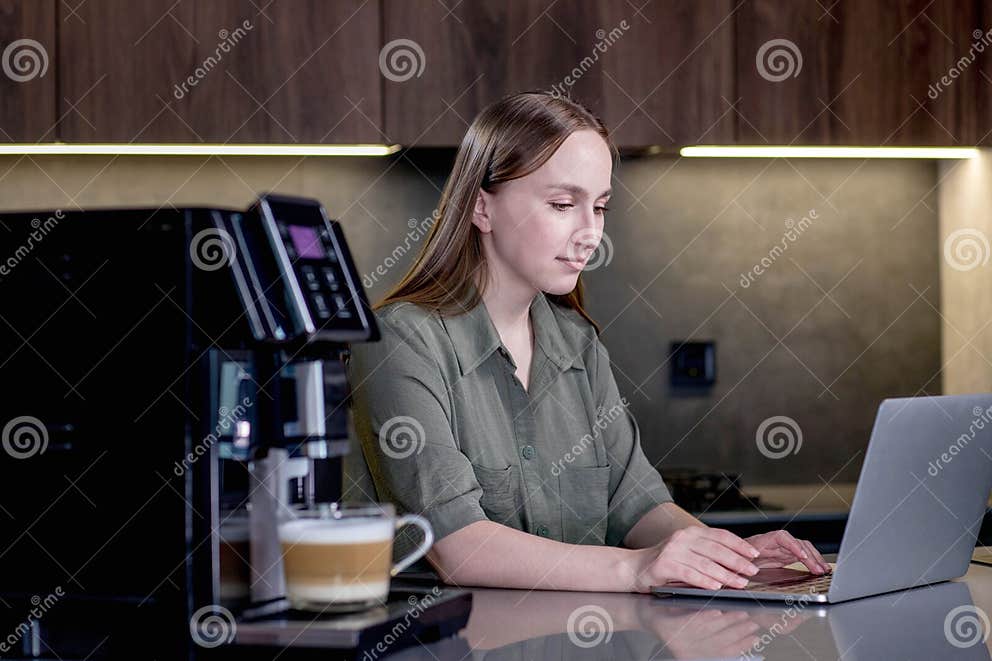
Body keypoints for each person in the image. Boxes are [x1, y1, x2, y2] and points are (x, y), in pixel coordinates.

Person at [346, 91, 828, 593]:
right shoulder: (401, 341)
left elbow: (636, 504)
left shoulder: (577, 343)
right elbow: (458, 548)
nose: (589, 233)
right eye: (562, 204)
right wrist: (636, 568)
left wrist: (729, 558)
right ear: (481, 208)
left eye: (599, 208)